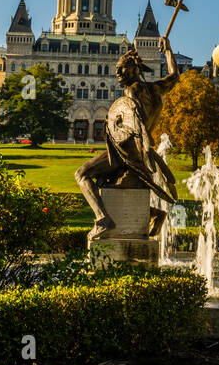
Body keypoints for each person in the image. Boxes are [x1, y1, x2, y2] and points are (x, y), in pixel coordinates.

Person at [75, 38, 180, 239]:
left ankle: (102, 220)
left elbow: (135, 119)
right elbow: (174, 76)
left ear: (135, 69)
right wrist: (168, 50)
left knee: (82, 174)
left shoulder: (131, 92)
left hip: (127, 151)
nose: (118, 74)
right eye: (117, 69)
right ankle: (154, 213)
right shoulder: (155, 89)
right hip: (138, 151)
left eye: (122, 69)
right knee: (106, 180)